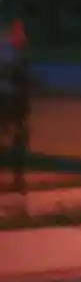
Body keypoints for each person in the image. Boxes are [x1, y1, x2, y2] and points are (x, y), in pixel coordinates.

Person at [0, 18, 30, 194]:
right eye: (19, 33)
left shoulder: (13, 54)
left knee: (19, 135)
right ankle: (18, 177)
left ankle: (18, 177)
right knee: (18, 135)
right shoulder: (8, 53)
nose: (23, 38)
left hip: (12, 100)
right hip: (8, 99)